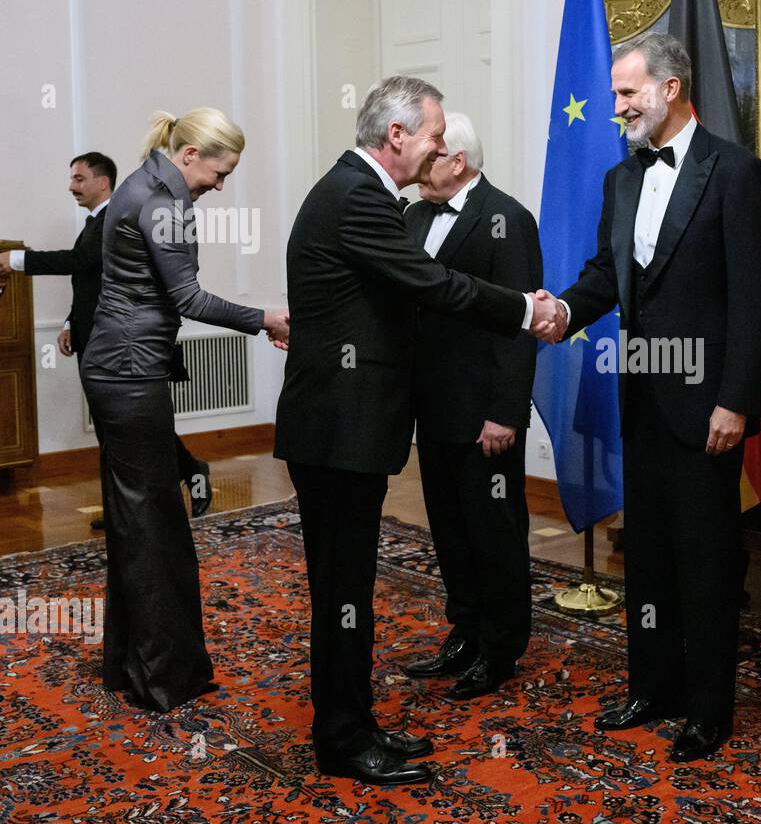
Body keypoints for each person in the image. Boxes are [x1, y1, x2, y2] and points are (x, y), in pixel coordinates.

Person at [275, 76, 562, 786]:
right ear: (397, 135)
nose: (442, 147)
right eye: (434, 134)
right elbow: (436, 286)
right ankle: (342, 738)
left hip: (345, 428)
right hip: (339, 433)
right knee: (343, 593)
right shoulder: (361, 198)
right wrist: (527, 310)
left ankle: (356, 720)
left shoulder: (358, 192)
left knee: (350, 589)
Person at [534, 32, 761, 762]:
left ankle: (708, 708)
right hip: (639, 400)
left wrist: (736, 399)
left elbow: (757, 300)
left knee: (705, 560)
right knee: (646, 555)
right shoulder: (621, 180)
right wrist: (563, 313)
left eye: (627, 93)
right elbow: (605, 277)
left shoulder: (736, 173)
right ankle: (652, 686)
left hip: (708, 407)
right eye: (614, 94)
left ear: (671, 88)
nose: (617, 107)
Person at [77, 108, 290, 712]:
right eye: (219, 172)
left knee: (134, 517)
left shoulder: (140, 183)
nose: (220, 186)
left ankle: (132, 667)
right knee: (154, 523)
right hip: (129, 370)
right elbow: (189, 297)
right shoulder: (164, 202)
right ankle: (161, 677)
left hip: (115, 366)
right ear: (190, 152)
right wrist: (265, 318)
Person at [402, 112, 542, 700]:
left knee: (493, 533)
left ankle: (500, 647)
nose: (415, 168)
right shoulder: (411, 216)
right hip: (431, 410)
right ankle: (464, 631)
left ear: (456, 161)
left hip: (485, 412)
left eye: (429, 155)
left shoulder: (508, 219)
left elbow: (520, 323)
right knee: (450, 528)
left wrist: (506, 412)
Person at [0, 153, 214, 524]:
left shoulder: (116, 217)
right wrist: (70, 323)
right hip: (94, 337)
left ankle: (190, 470)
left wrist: (15, 260)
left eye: (79, 178)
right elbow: (91, 280)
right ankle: (120, 507)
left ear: (103, 182)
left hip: (121, 340)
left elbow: (78, 261)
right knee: (111, 430)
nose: (72, 186)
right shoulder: (94, 223)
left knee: (129, 427)